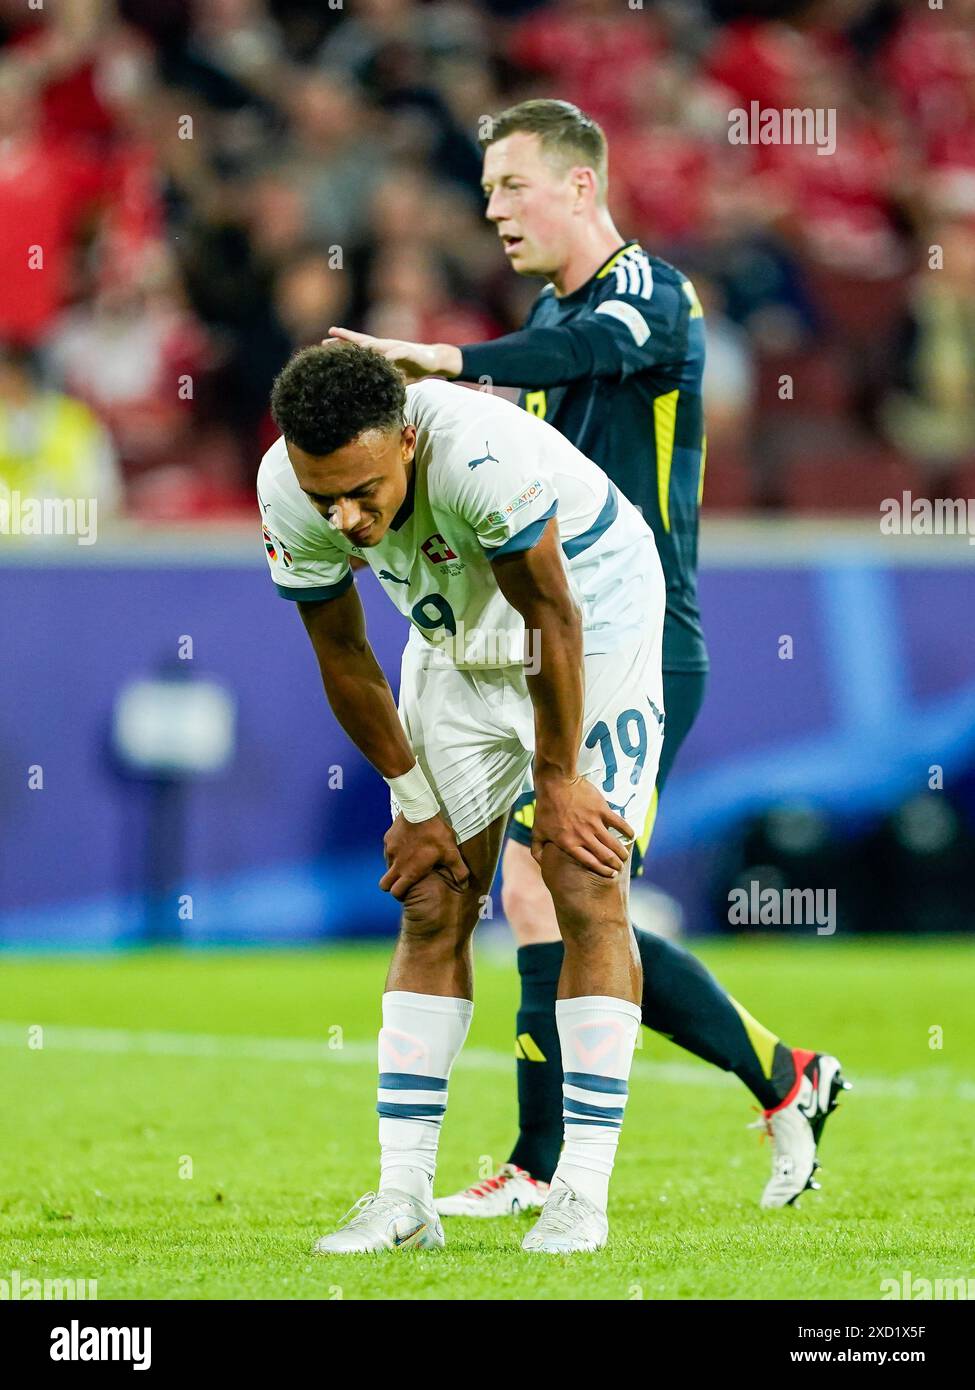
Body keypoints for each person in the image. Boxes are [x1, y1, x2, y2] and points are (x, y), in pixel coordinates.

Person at [328, 99, 847, 1215]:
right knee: (549, 892)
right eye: (485, 192)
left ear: (580, 185)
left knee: (546, 884)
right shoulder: (549, 314)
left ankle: (549, 1157)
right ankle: (778, 1076)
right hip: (543, 635)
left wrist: (445, 355)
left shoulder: (650, 294)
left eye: (513, 185)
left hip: (641, 639)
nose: (494, 210)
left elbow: (579, 350)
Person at [261, 340, 667, 1254]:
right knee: (433, 895)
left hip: (585, 617)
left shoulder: (482, 451)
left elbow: (551, 617)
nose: (347, 516)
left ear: (406, 437)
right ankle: (403, 1199)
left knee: (580, 875)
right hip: (453, 636)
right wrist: (410, 800)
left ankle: (580, 1196)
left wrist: (557, 780)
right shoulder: (288, 487)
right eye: (325, 495)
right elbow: (343, 653)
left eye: (364, 489)